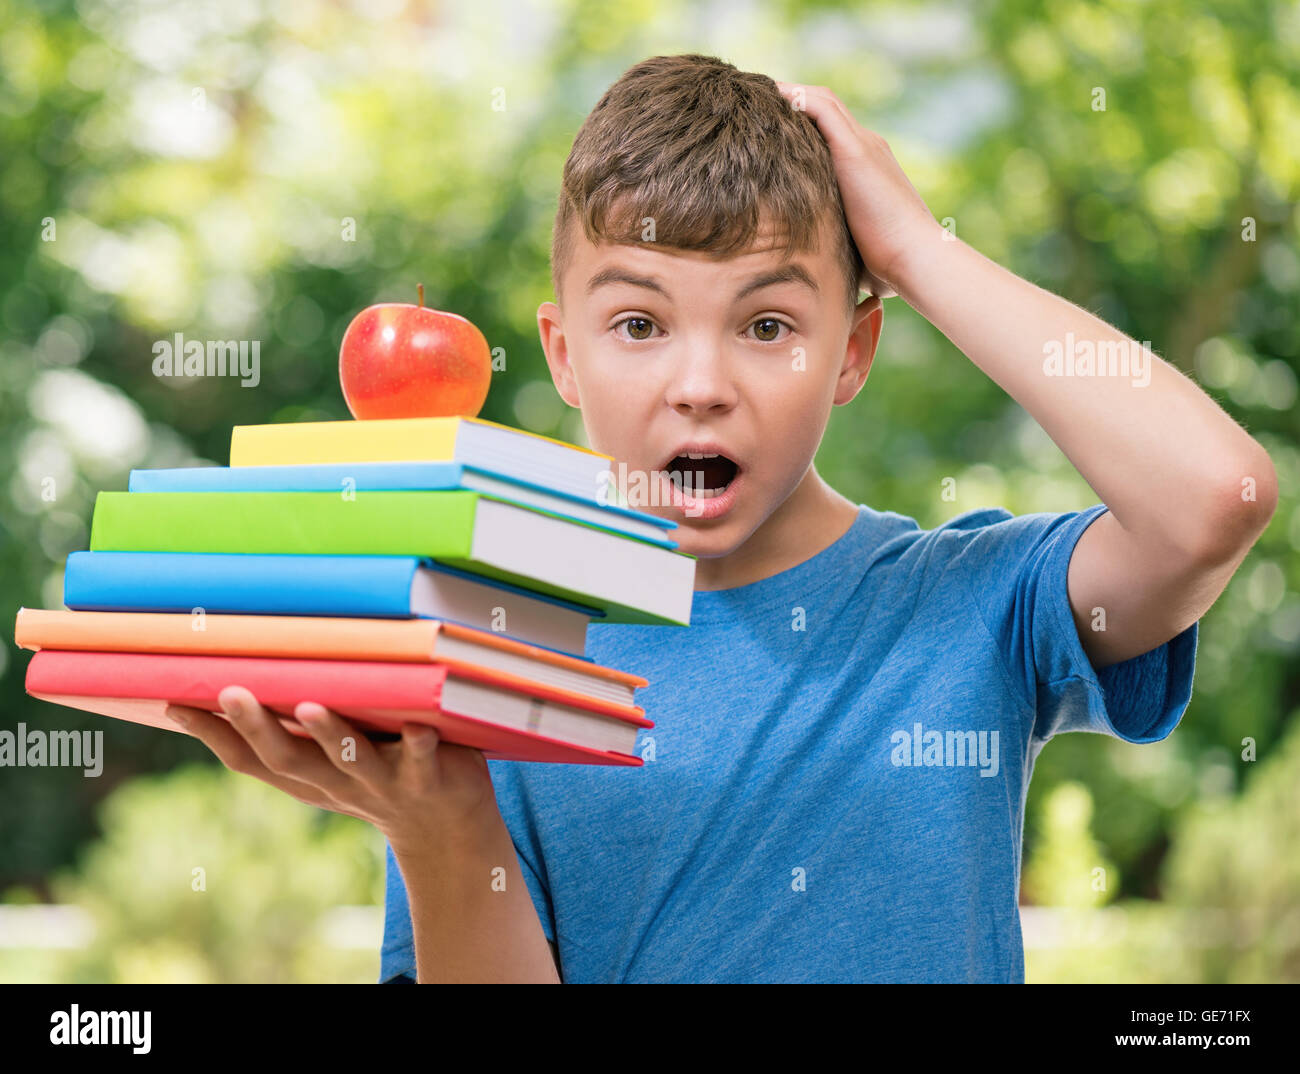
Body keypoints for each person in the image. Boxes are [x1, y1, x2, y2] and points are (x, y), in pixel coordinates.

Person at [168, 54, 1276, 983]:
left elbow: (1216, 496)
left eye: (767, 324)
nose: (700, 383)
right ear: (562, 353)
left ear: (852, 349)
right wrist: (441, 829)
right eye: (640, 323)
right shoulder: (487, 648)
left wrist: (918, 253)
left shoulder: (973, 603)